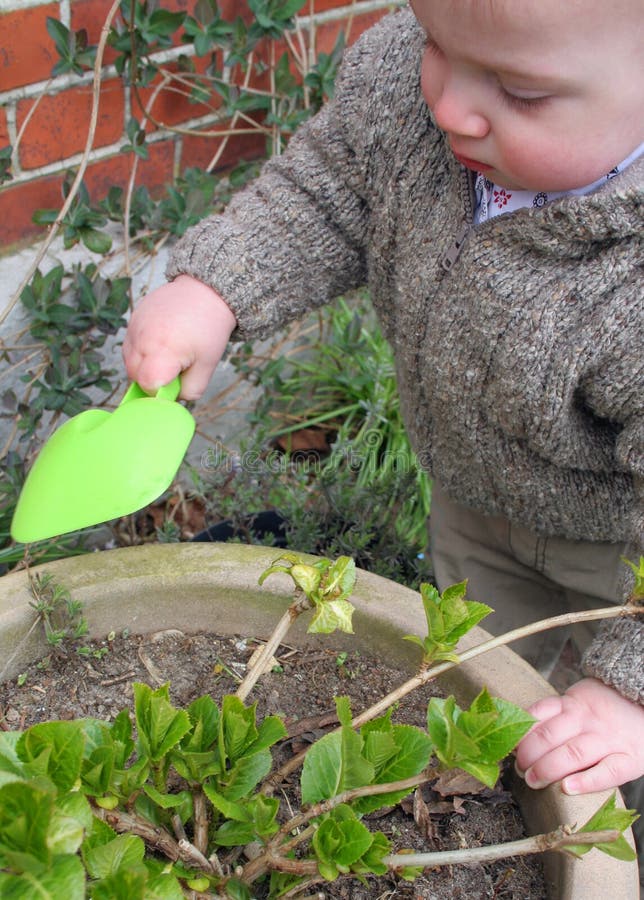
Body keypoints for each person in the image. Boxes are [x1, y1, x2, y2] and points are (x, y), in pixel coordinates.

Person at [123, 0, 644, 870]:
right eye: (437, 42)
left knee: (599, 746)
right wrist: (215, 288)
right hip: (475, 503)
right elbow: (325, 191)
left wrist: (630, 693)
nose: (450, 106)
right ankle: (465, 805)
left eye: (519, 92)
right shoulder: (414, 92)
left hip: (622, 557)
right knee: (472, 672)